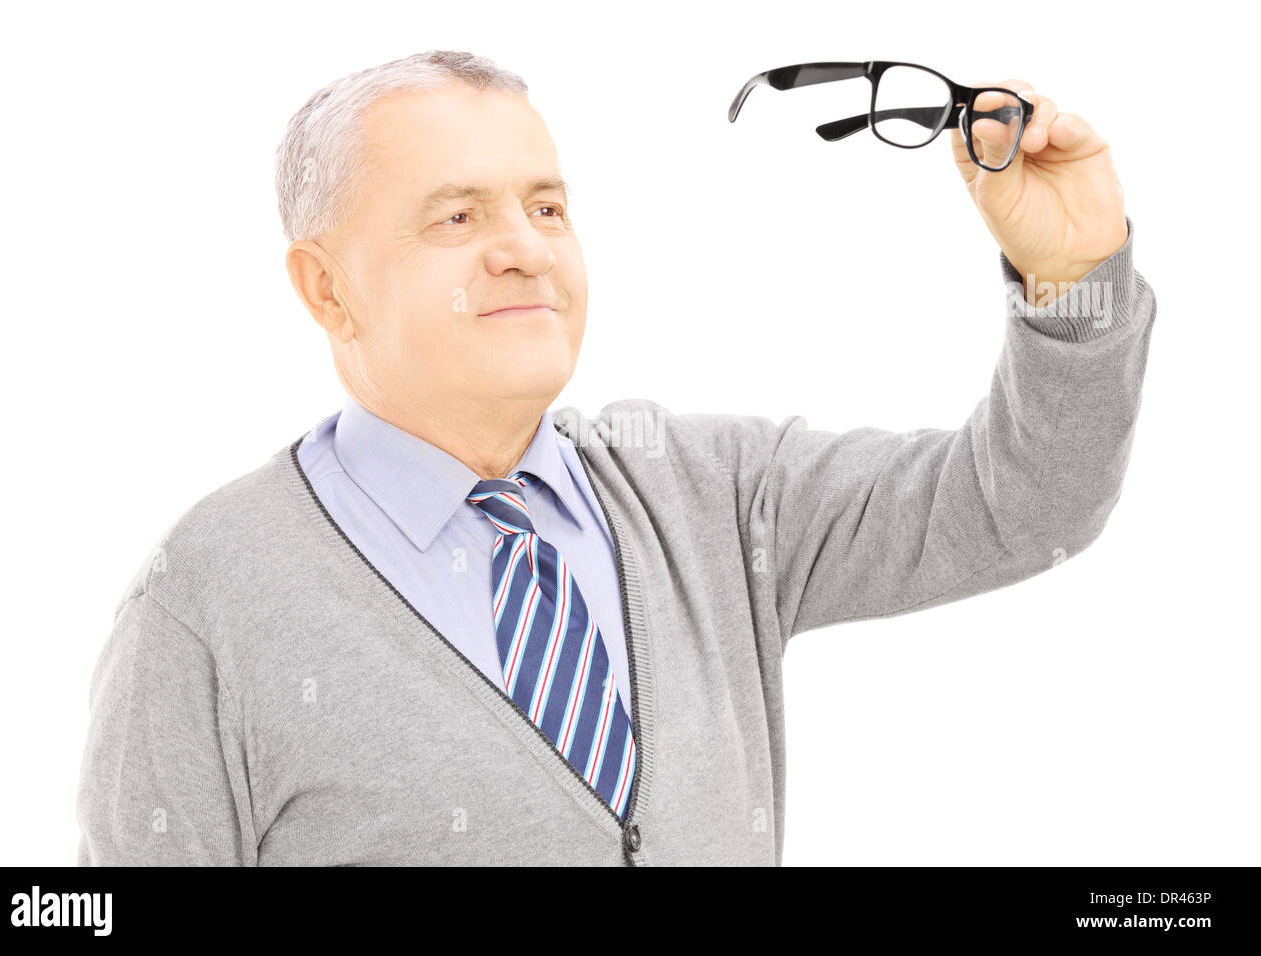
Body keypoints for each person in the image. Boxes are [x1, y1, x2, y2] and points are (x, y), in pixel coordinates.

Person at [75, 49, 1156, 866]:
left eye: (547, 205)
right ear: (325, 288)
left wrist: (1074, 275)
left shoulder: (718, 496)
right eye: (457, 215)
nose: (527, 246)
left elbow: (1026, 503)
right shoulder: (204, 601)